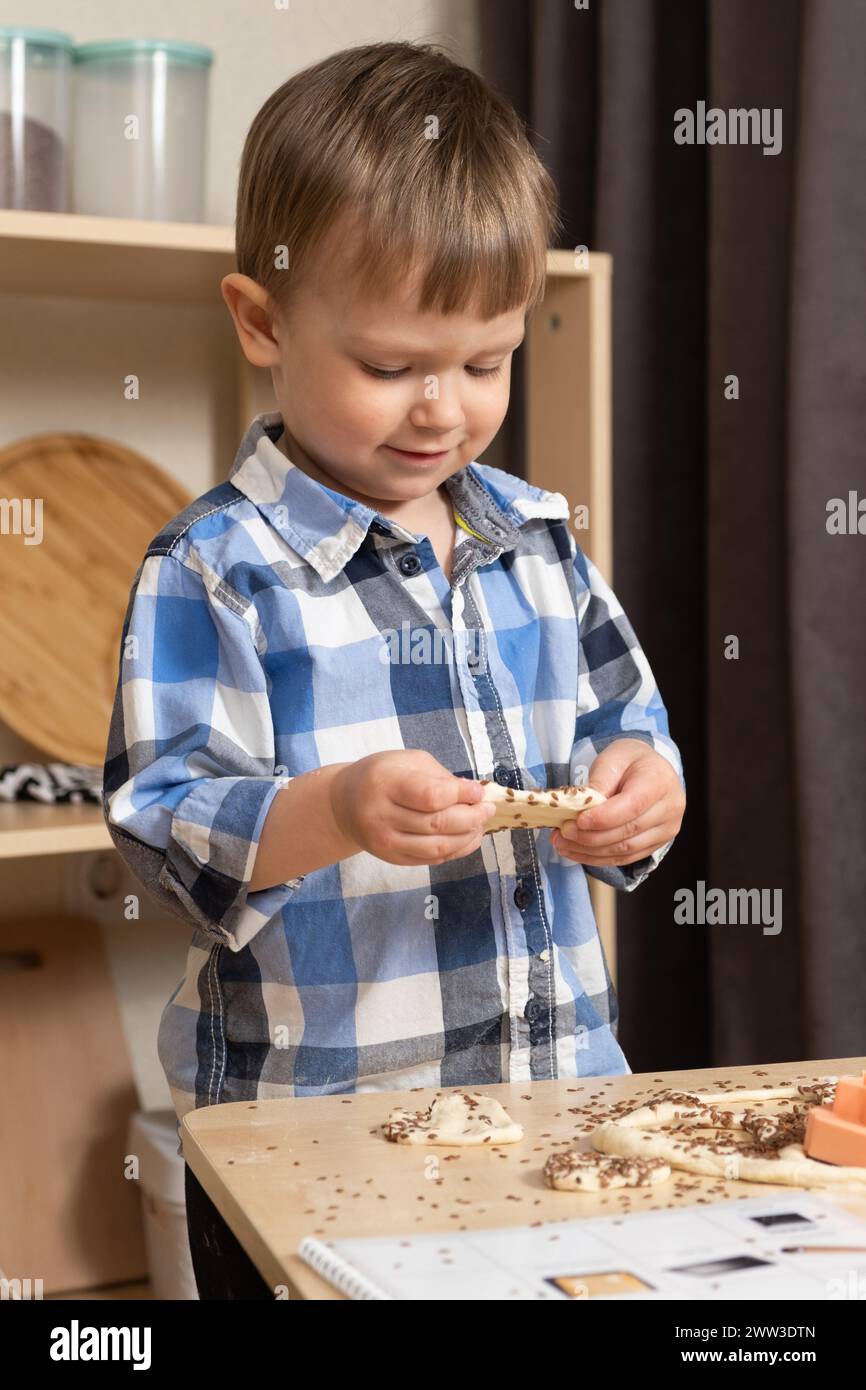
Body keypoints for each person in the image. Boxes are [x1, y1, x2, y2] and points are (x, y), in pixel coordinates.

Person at [103, 40, 686, 1300]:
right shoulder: (216, 568)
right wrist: (338, 807)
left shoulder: (537, 539)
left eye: (483, 363)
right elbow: (164, 822)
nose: (442, 410)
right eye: (388, 367)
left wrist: (643, 787)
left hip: (554, 1116)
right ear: (261, 321)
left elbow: (625, 723)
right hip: (309, 1145)